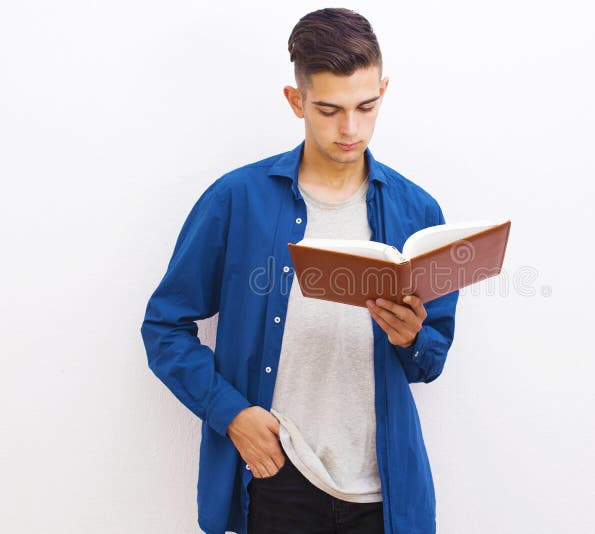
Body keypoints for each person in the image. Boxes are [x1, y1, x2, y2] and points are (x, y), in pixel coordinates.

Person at [140, 7, 458, 534]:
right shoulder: (235, 200)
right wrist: (232, 414)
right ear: (296, 101)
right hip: (275, 479)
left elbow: (431, 361)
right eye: (329, 110)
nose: (350, 129)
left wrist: (411, 339)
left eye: (366, 106)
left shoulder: (417, 212)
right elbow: (164, 326)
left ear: (384, 89)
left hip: (384, 492)